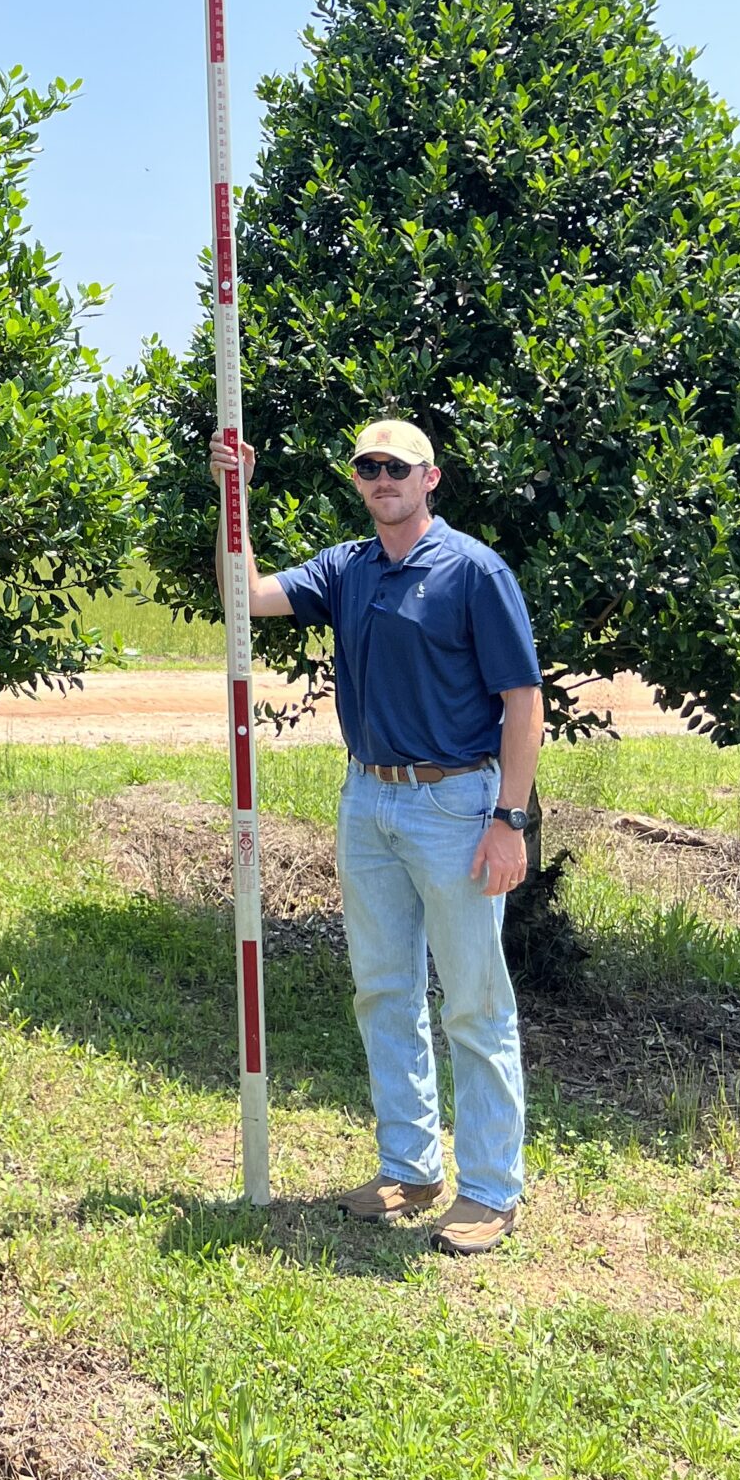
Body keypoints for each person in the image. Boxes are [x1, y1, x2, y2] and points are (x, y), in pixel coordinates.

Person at [211, 416, 542, 1256]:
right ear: (358, 480)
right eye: (369, 466)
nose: (383, 478)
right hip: (368, 802)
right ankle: (410, 1164)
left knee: (473, 1000)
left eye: (398, 466)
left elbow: (522, 701)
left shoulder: (473, 570)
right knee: (384, 989)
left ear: (431, 478)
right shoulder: (347, 570)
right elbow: (245, 597)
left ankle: (492, 1191)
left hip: (456, 806)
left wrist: (510, 821)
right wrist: (232, 497)